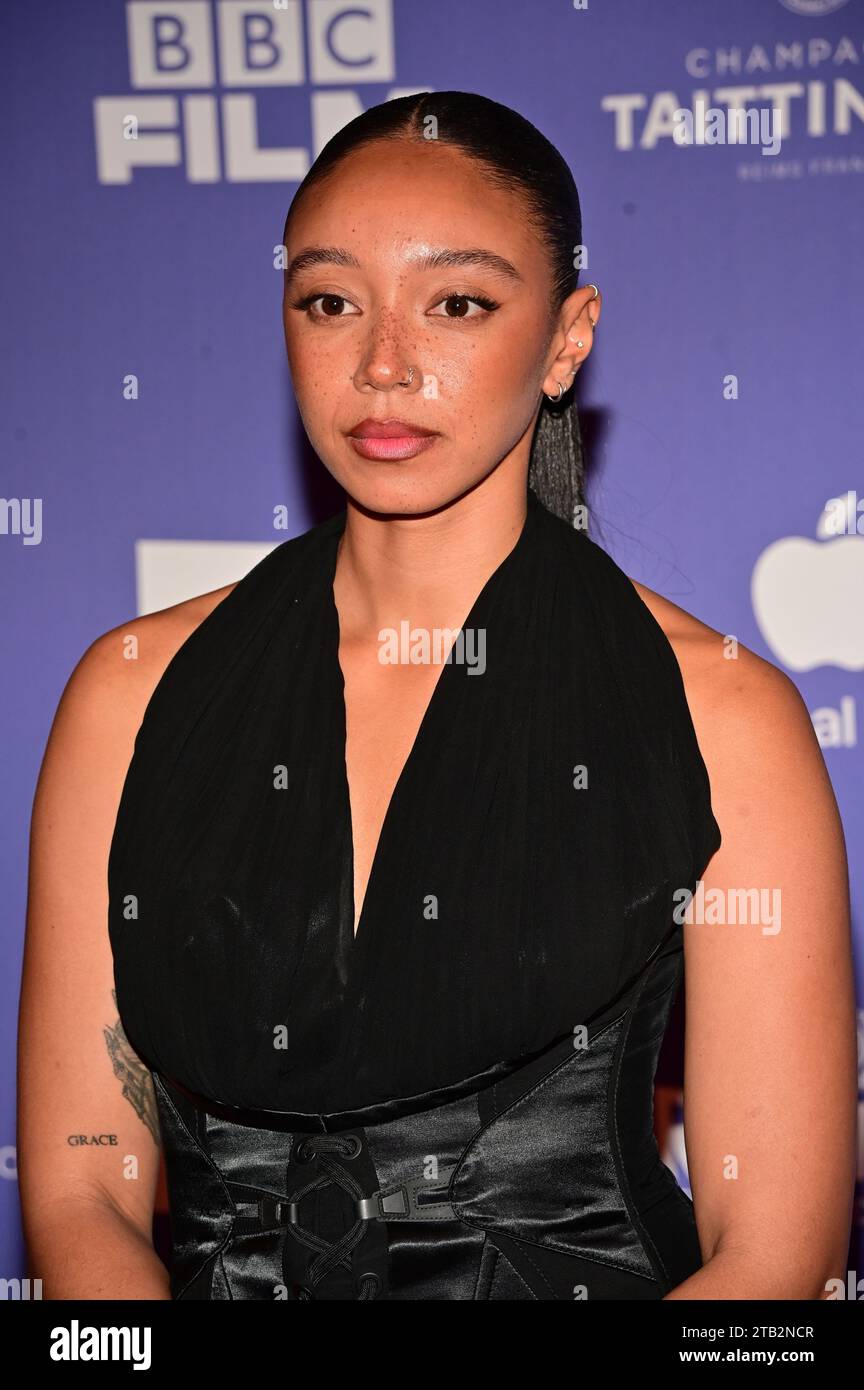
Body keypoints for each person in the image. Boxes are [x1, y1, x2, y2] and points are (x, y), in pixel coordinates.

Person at [18, 92, 856, 1301]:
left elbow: (778, 1259)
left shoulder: (724, 717)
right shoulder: (131, 694)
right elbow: (82, 1186)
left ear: (568, 339)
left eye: (457, 302)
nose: (383, 364)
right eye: (329, 301)